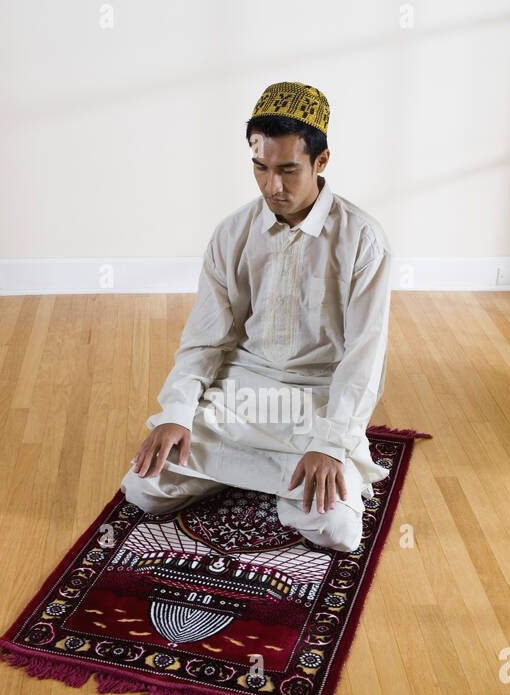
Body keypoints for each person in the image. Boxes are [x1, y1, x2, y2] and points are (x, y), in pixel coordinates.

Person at [120, 81, 392, 553]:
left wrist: (330, 444)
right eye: (261, 169)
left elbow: (365, 358)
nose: (273, 186)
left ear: (320, 162)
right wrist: (178, 412)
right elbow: (206, 339)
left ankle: (266, 470)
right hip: (240, 393)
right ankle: (268, 474)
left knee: (334, 530)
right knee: (143, 489)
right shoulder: (232, 232)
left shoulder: (363, 239)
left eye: (288, 170)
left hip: (317, 400)